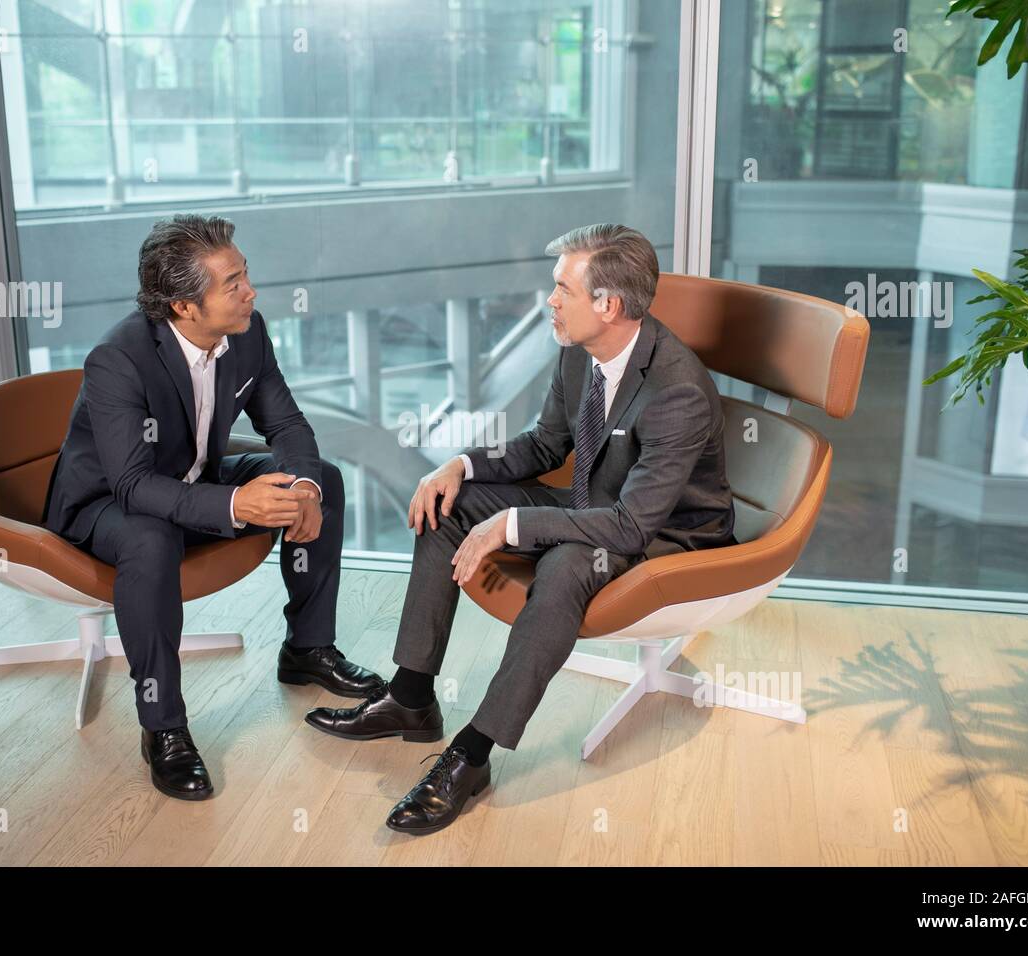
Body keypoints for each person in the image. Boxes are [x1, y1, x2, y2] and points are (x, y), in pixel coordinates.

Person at [305, 223, 736, 835]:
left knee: (565, 564)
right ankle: (411, 695)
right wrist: (462, 465)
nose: (549, 301)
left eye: (562, 288)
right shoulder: (578, 347)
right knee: (448, 504)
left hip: (666, 535)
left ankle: (471, 756)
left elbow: (632, 524)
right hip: (600, 507)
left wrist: (511, 525)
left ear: (608, 305)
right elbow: (547, 444)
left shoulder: (677, 392)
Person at [42, 214, 383, 800]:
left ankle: (307, 649)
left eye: (245, 274)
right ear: (183, 306)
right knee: (150, 536)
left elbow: (287, 424)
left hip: (199, 477)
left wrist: (300, 488)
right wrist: (235, 503)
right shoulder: (118, 359)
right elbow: (131, 484)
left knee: (321, 476)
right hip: (107, 506)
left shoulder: (246, 333)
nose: (250, 291)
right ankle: (164, 726)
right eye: (233, 283)